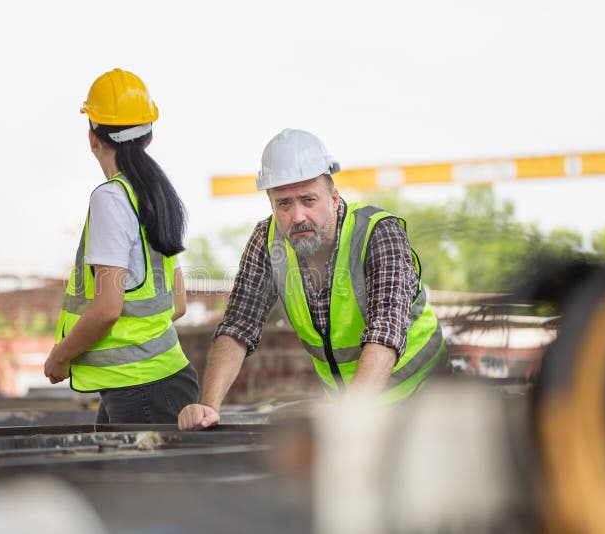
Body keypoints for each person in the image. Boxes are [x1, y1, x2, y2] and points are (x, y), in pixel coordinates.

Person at [178, 128, 447, 430]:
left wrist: (350, 414)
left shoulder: (377, 234)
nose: (297, 216)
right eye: (284, 204)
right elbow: (237, 326)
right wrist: (208, 407)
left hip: (427, 402)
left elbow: (385, 332)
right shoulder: (268, 242)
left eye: (308, 200)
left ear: (333, 197)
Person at [44, 68, 199, 424]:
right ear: (148, 137)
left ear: (92, 138)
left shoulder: (112, 199)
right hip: (165, 380)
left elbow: (108, 308)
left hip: (141, 389)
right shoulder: (158, 195)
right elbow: (177, 305)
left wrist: (61, 356)